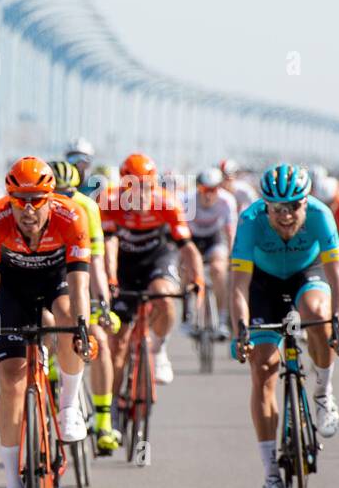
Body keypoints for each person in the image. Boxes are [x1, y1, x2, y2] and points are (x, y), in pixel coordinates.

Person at [0, 157, 93, 488]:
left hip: (55, 284)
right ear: (9, 198)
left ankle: (67, 407)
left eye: (37, 200)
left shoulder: (71, 217)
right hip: (12, 291)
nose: (28, 209)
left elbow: (79, 285)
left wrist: (82, 327)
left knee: (66, 318)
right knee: (12, 379)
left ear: (50, 197)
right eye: (20, 200)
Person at [232, 164, 339, 488]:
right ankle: (270, 477)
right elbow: (239, 286)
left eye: (294, 206)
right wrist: (240, 331)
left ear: (305, 202)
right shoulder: (250, 221)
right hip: (263, 285)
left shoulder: (321, 216)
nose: (286, 215)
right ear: (265, 204)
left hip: (305, 275)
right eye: (277, 208)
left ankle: (323, 392)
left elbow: (336, 274)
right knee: (263, 368)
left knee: (318, 313)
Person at [102, 153, 202, 387]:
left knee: (165, 297)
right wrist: (111, 279)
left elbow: (187, 248)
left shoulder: (168, 203)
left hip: (156, 258)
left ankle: (158, 349)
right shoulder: (108, 202)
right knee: (117, 345)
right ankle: (114, 410)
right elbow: (108, 245)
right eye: (133, 189)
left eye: (147, 188)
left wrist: (198, 280)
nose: (141, 196)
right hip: (123, 263)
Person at [51, 160, 119, 454]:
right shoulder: (33, 210)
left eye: (68, 193)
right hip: (45, 277)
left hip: (77, 275)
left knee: (99, 340)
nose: (62, 200)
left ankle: (103, 421)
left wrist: (103, 304)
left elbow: (97, 264)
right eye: (57, 193)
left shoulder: (86, 208)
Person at [185, 167, 239, 338]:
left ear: (219, 189)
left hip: (214, 238)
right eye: (204, 190)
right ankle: (188, 315)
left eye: (213, 190)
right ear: (198, 188)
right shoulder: (188, 201)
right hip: (192, 238)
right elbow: (181, 234)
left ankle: (221, 319)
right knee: (187, 270)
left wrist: (231, 258)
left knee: (218, 270)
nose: (208, 194)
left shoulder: (227, 201)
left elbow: (230, 232)